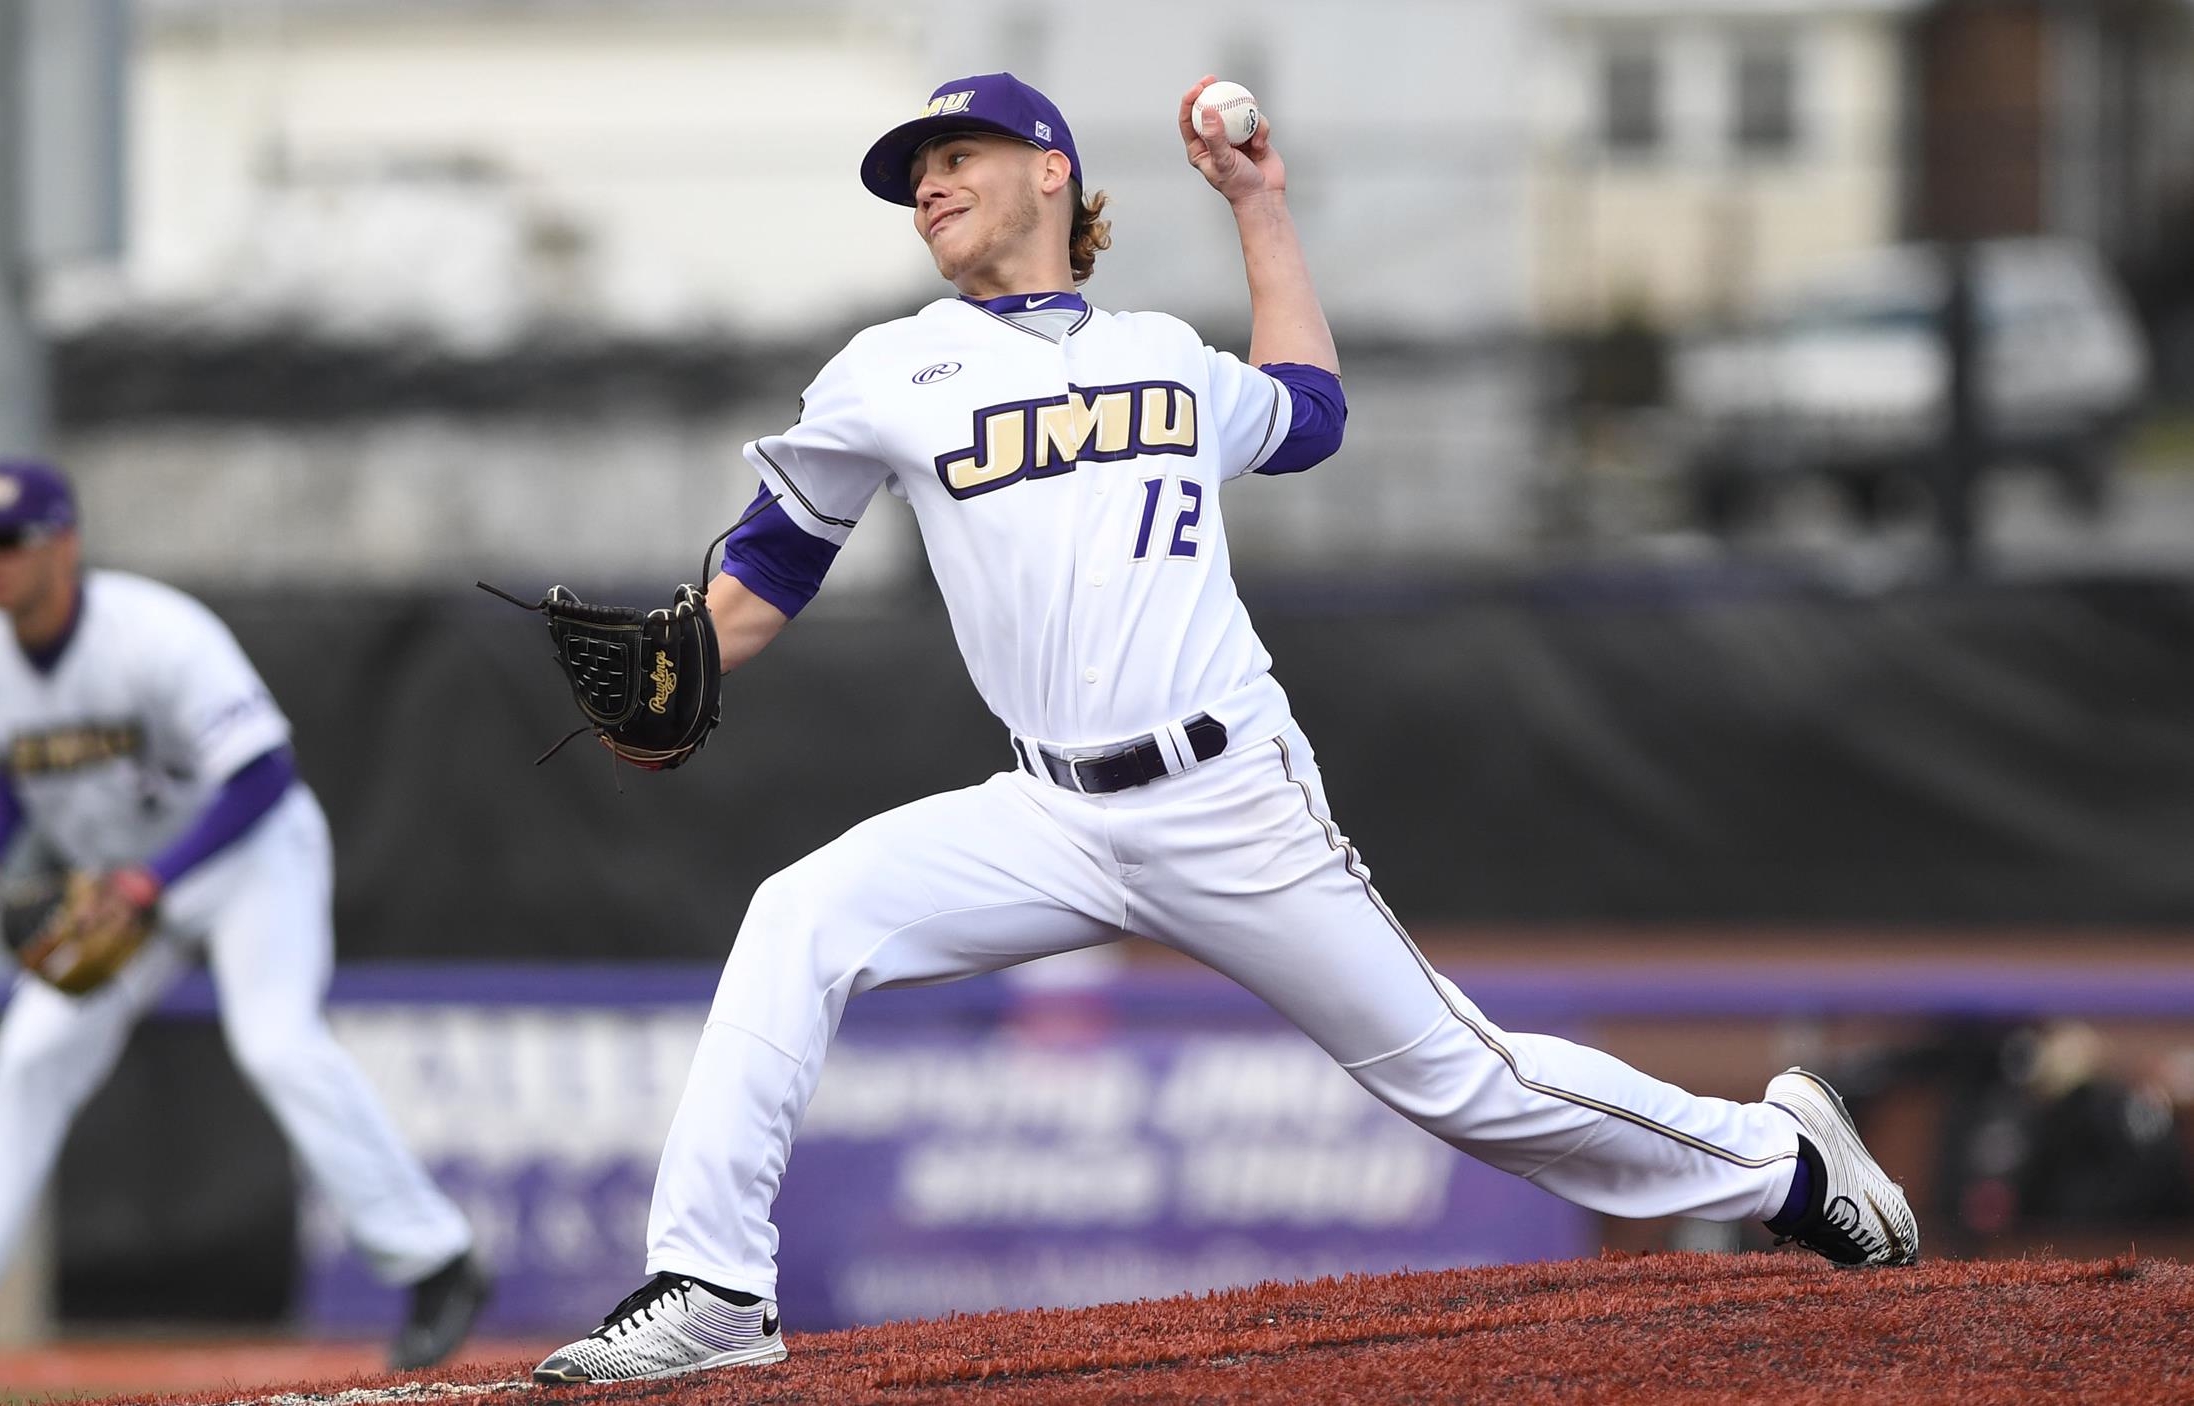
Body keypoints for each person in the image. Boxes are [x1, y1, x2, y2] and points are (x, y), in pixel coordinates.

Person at [528, 73, 1918, 1387]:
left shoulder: (1164, 359)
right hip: (1050, 812)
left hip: (1229, 793)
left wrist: (1260, 203)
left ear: (1049, 171)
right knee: (798, 915)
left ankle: (1782, 1159)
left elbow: (1310, 414)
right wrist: (689, 653)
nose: (927, 189)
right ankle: (711, 1289)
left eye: (954, 159)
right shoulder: (892, 371)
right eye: (913, 178)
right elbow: (772, 565)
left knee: (1462, 1081)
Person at [0, 460, 489, 1394]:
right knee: (29, 1057)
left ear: (63, 543)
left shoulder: (157, 634)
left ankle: (439, 1264)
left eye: (7, 542)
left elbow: (265, 772)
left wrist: (155, 880)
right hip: (118, 888)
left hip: (245, 859)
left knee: (275, 1043)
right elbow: (17, 771)